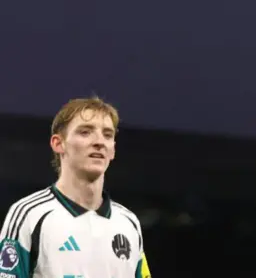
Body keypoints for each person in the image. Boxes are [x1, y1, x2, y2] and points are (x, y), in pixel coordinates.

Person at [0, 97, 152, 278]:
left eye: (107, 135)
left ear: (113, 150)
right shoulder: (29, 215)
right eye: (85, 132)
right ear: (58, 143)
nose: (99, 142)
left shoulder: (129, 223)